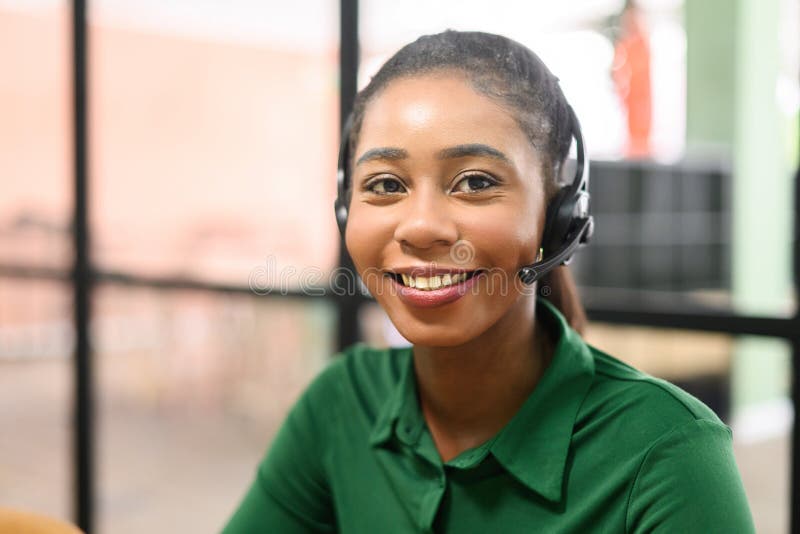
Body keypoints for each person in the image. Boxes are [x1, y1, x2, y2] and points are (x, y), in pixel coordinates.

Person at [222, 30, 755, 533]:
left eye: (475, 182)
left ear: (557, 217)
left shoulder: (667, 451)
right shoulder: (342, 403)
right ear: (346, 210)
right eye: (385, 184)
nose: (422, 226)